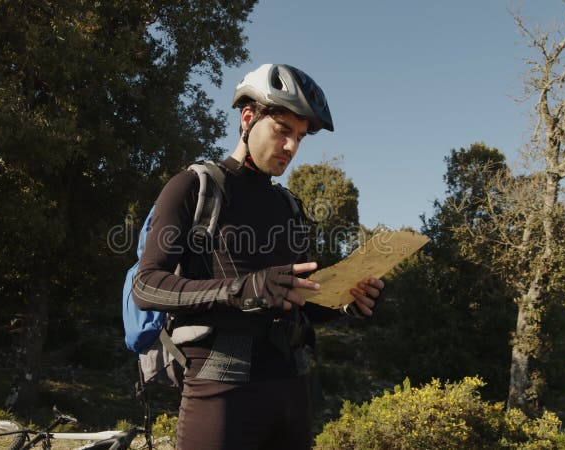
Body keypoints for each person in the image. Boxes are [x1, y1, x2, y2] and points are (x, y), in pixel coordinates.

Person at [132, 63, 384, 450]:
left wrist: (347, 300)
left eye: (300, 137)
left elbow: (299, 301)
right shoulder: (193, 187)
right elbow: (147, 285)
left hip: (292, 386)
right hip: (220, 389)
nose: (291, 147)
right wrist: (242, 289)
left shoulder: (289, 206)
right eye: (283, 131)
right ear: (248, 118)